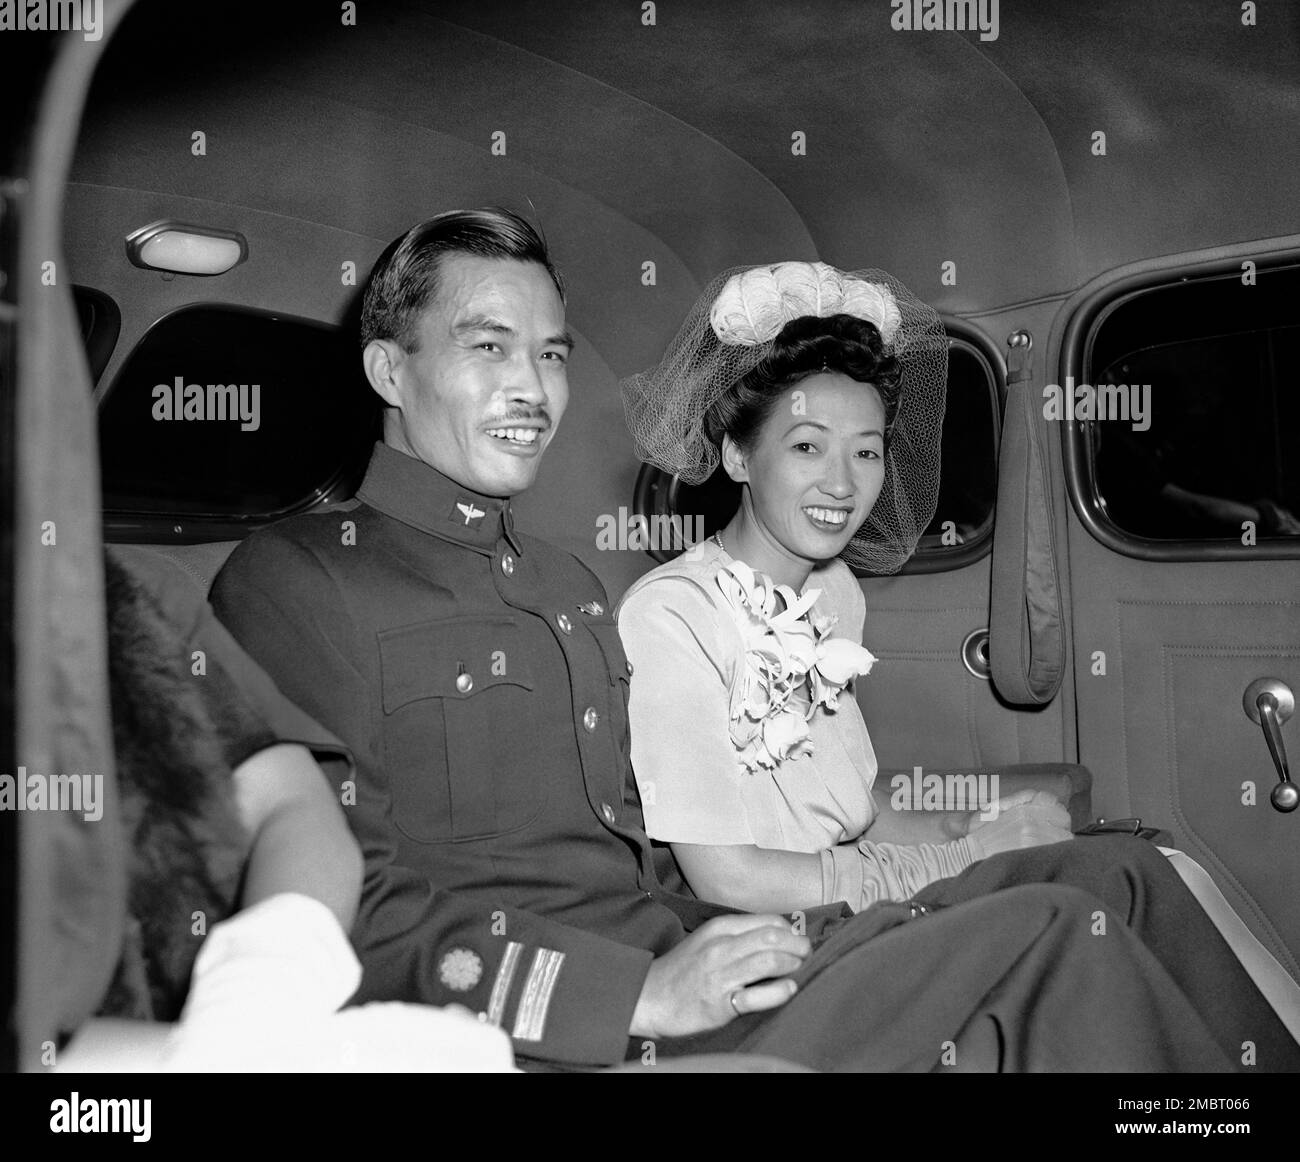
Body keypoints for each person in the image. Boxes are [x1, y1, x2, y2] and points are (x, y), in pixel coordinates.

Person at [209, 208, 1289, 1072]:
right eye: (486, 348)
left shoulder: (565, 584)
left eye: (548, 351)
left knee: (1122, 883)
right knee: (1061, 932)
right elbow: (333, 906)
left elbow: (640, 855)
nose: (532, 387)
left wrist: (798, 926)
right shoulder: (298, 577)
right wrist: (633, 994)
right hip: (561, 1027)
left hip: (694, 949)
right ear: (389, 370)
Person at [616, 259, 1300, 1049]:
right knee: (1122, 885)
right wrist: (962, 860)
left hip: (855, 884)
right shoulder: (672, 615)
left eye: (867, 451)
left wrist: (968, 832)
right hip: (779, 932)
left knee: (1158, 865)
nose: (843, 482)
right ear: (738, 458)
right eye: (807, 446)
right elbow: (729, 877)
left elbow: (855, 803)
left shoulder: (834, 591)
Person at [55, 546, 514, 1072]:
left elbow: (287, 798)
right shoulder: (291, 576)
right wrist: (211, 1057)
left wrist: (265, 980)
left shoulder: (130, 587)